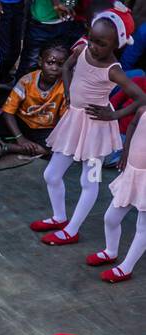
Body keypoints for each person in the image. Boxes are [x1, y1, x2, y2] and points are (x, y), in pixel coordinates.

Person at [34, 7, 146, 244]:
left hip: (97, 132)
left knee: (89, 180)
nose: (93, 46)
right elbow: (67, 67)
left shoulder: (114, 71)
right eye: (92, 39)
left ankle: (71, 230)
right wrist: (67, 91)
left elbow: (141, 98)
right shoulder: (83, 48)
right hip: (73, 124)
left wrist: (114, 115)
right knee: (51, 174)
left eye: (101, 43)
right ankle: (59, 216)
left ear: (117, 45)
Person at [90, 107, 146, 281]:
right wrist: (126, 153)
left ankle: (126, 268)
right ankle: (110, 251)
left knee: (143, 227)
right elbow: (133, 125)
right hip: (132, 173)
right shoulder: (143, 110)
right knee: (110, 218)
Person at [0, 42, 69, 158]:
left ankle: (9, 147)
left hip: (45, 128)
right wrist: (20, 138)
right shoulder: (27, 80)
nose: (54, 68)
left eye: (60, 64)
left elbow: (63, 119)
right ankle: (22, 142)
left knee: (58, 151)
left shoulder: (65, 86)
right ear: (40, 62)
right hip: (22, 121)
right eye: (50, 63)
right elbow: (8, 112)